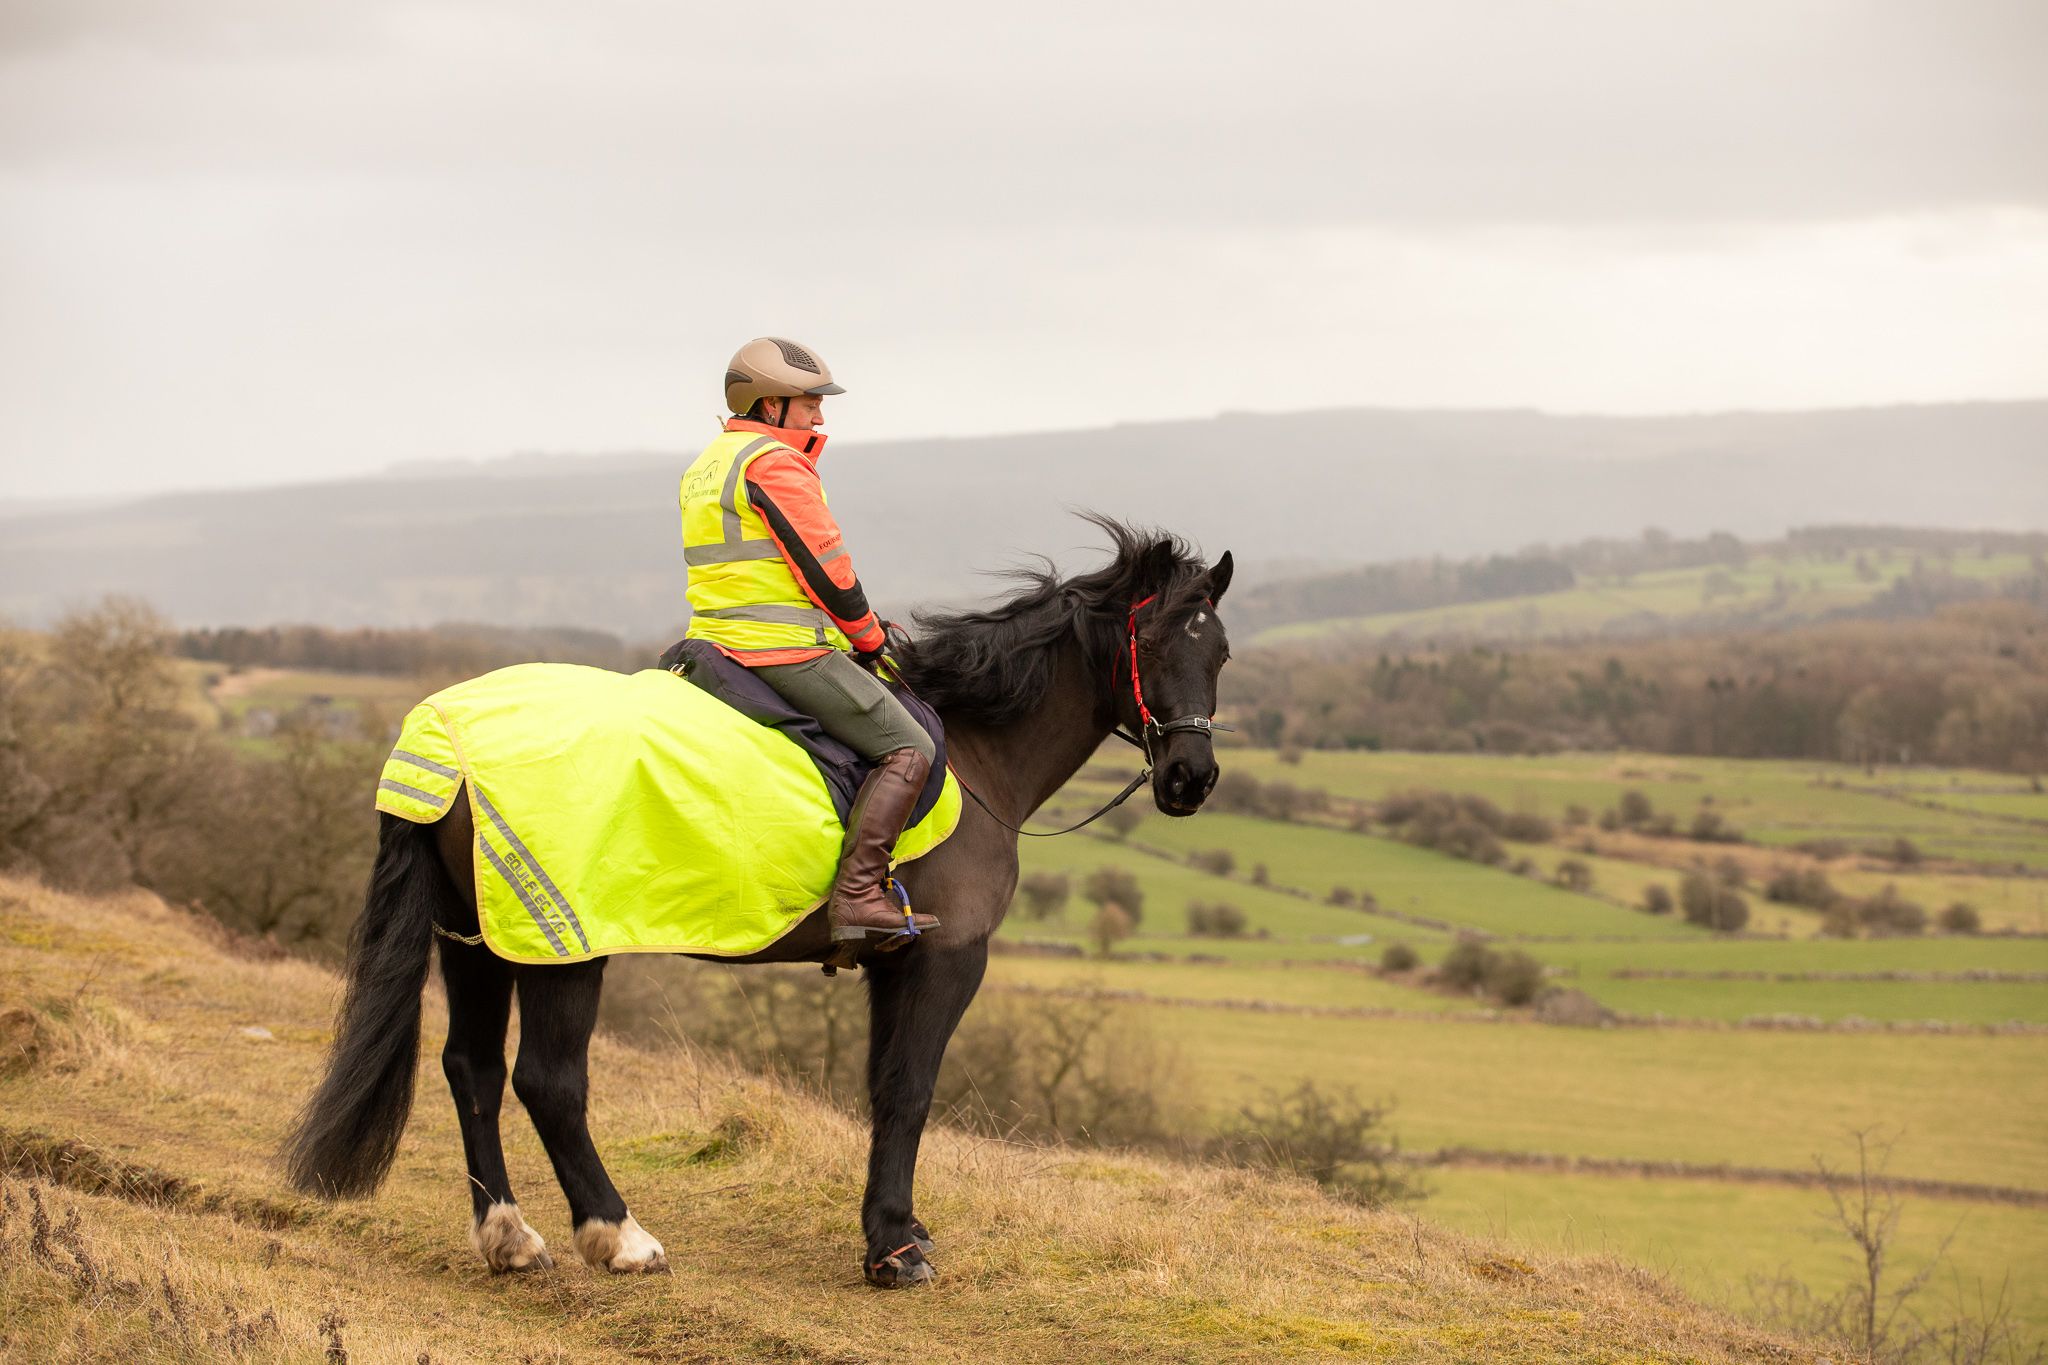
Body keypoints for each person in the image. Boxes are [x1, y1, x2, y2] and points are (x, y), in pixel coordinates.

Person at [678, 337, 939, 955]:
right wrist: (872, 641)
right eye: (809, 404)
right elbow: (828, 571)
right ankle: (859, 895)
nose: (819, 418)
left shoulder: (709, 462)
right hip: (779, 652)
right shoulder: (774, 463)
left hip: (711, 643)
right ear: (770, 406)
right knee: (910, 746)